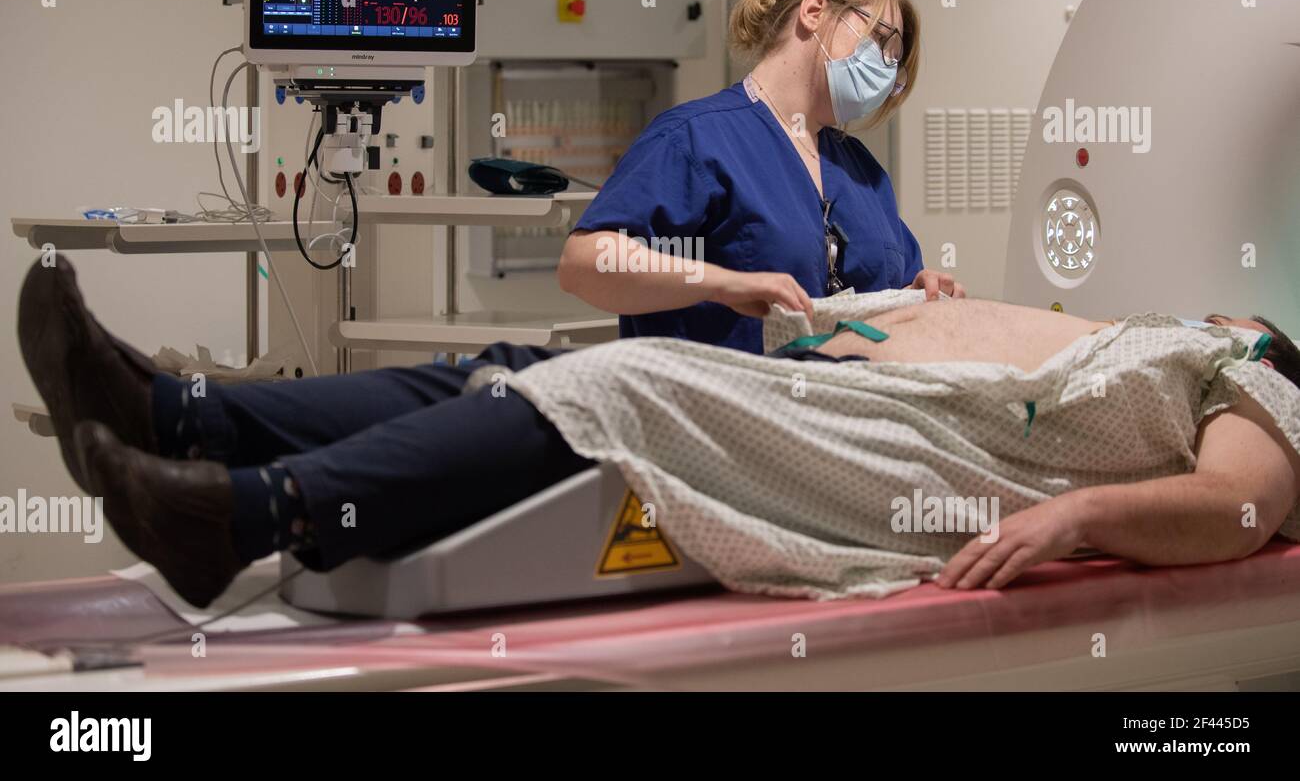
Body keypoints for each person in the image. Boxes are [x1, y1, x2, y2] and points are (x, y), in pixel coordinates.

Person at [18, 258, 1300, 607]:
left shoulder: (1247, 372)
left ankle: (245, 517)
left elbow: (1240, 507)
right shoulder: (1153, 330)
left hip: (911, 464)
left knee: (618, 402)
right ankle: (181, 410)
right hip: (852, 389)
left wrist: (1070, 516)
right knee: (528, 368)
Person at [558, 0, 964, 354]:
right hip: (718, 409)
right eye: (881, 41)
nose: (886, 69)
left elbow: (891, 283)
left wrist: (916, 294)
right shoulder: (695, 139)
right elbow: (586, 264)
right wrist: (722, 283)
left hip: (838, 409)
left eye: (895, 63)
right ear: (813, 11)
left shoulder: (862, 173)